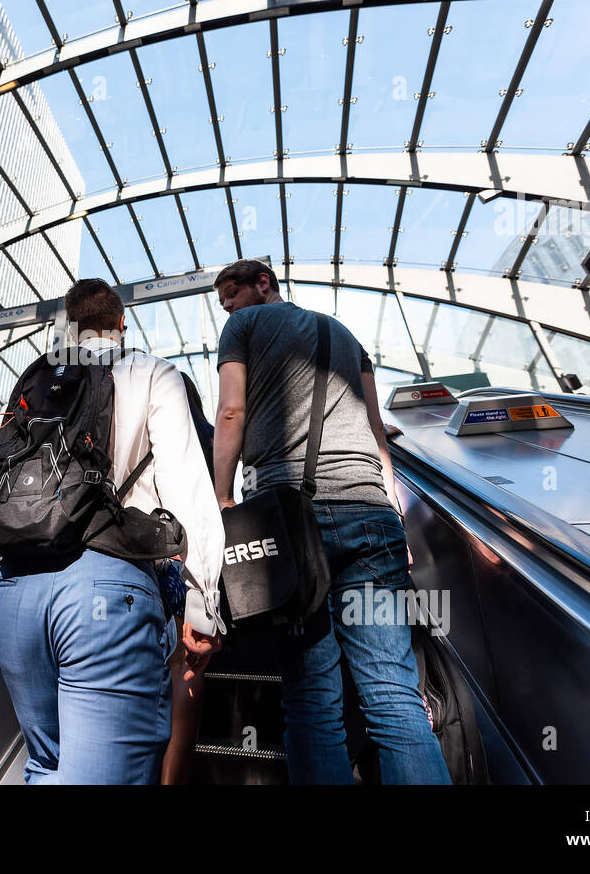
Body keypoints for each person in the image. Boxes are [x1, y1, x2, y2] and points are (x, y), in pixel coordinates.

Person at [203, 258, 450, 785]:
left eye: (232, 295)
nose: (227, 307)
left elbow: (230, 412)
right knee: (393, 694)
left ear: (262, 283)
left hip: (291, 526)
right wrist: (397, 517)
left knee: (313, 698)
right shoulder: (345, 334)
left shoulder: (243, 328)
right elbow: (376, 431)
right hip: (371, 517)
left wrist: (222, 497)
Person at [0, 279, 224, 784]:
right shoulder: (151, 372)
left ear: (67, 326)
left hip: (12, 591)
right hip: (107, 585)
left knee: (46, 766)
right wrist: (203, 606)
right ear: (121, 323)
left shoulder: (39, 379)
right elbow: (186, 486)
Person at [158, 371, 215, 785]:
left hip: (149, 568)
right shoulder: (209, 439)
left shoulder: (154, 437)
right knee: (188, 675)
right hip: (193, 570)